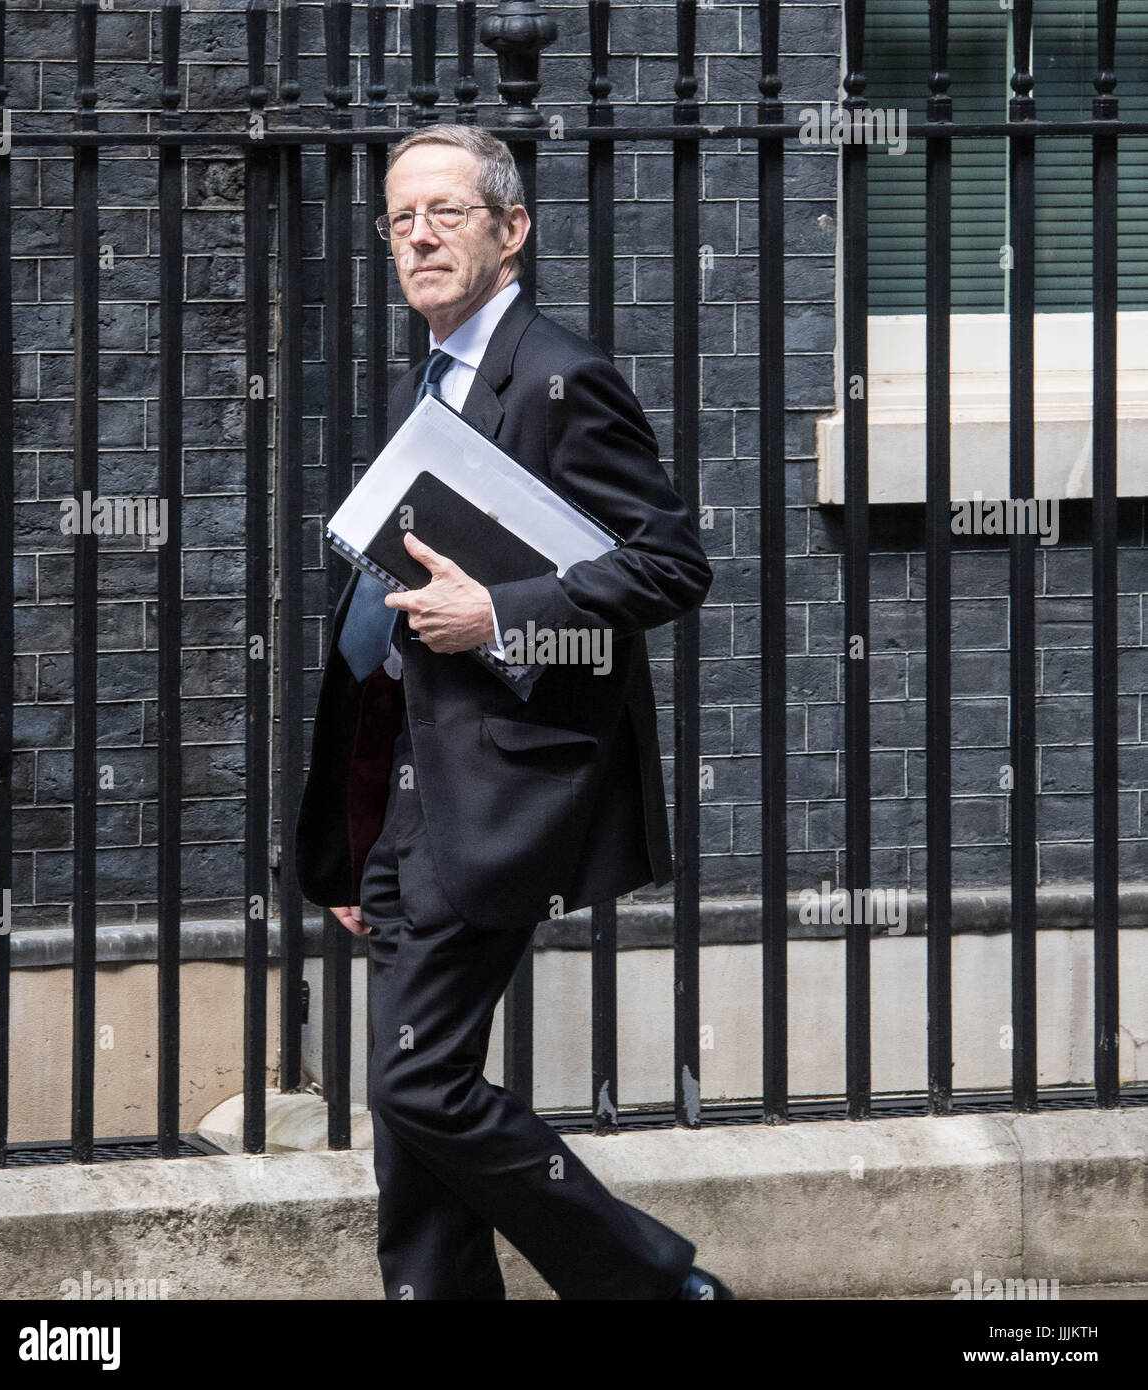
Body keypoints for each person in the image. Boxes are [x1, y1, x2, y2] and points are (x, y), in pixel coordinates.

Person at [295, 123, 727, 1300]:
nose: (419, 235)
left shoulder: (560, 372)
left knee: (415, 1083)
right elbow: (391, 616)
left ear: (511, 229)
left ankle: (652, 1282)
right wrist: (355, 822)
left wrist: (502, 613)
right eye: (399, 220)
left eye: (446, 211)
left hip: (499, 789)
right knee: (409, 1085)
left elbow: (673, 564)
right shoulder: (424, 377)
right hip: (407, 801)